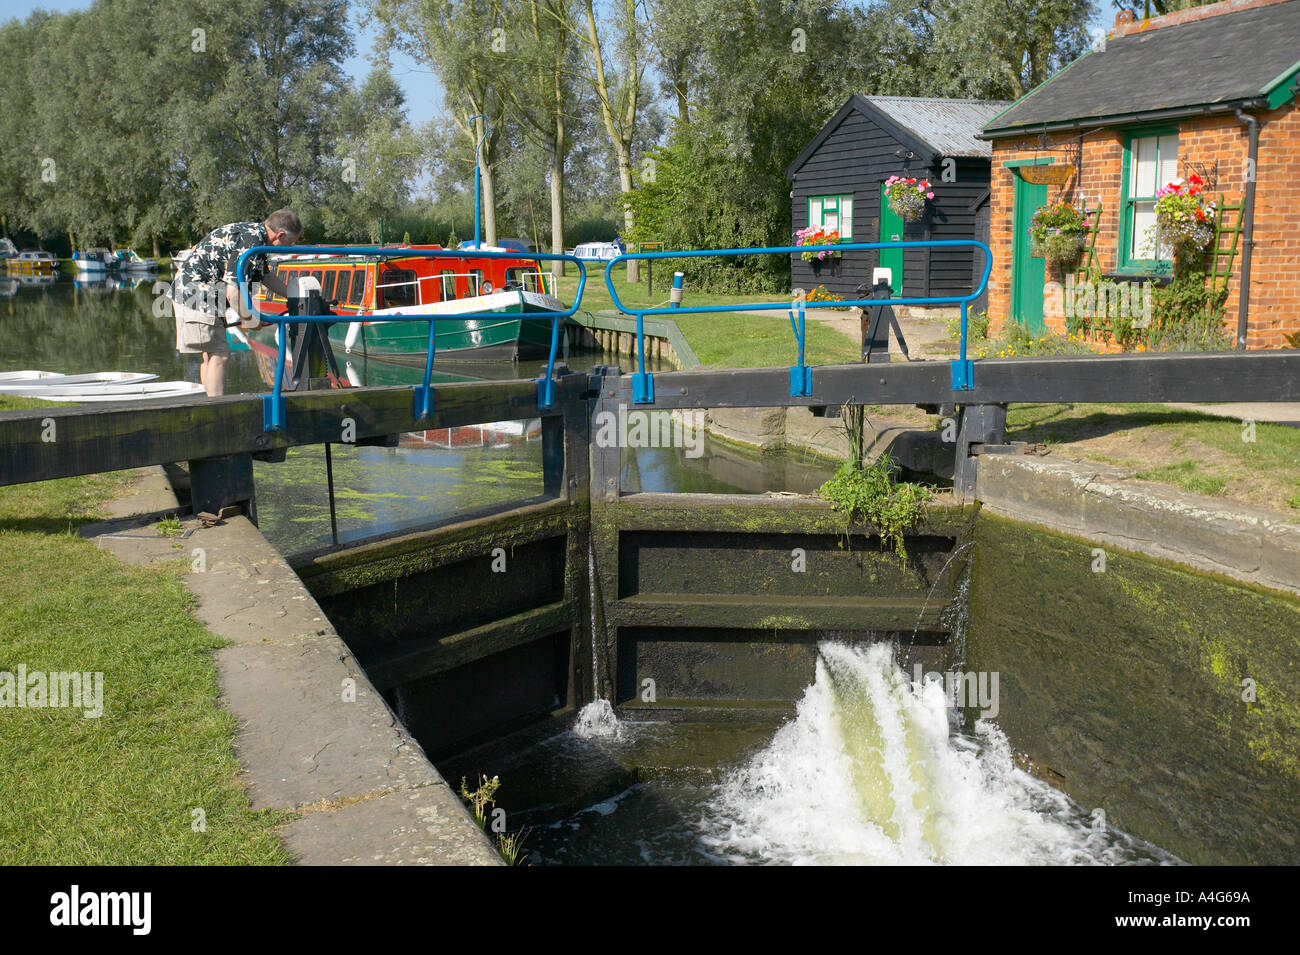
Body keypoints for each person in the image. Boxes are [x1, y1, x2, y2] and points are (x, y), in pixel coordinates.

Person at [172, 209, 302, 396]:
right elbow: (233, 293)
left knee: (210, 354)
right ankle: (219, 410)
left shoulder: (255, 234)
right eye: (291, 242)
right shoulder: (252, 241)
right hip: (197, 296)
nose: (292, 246)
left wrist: (294, 295)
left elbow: (264, 275)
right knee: (220, 354)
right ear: (280, 235)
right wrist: (251, 320)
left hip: (193, 294)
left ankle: (211, 405)